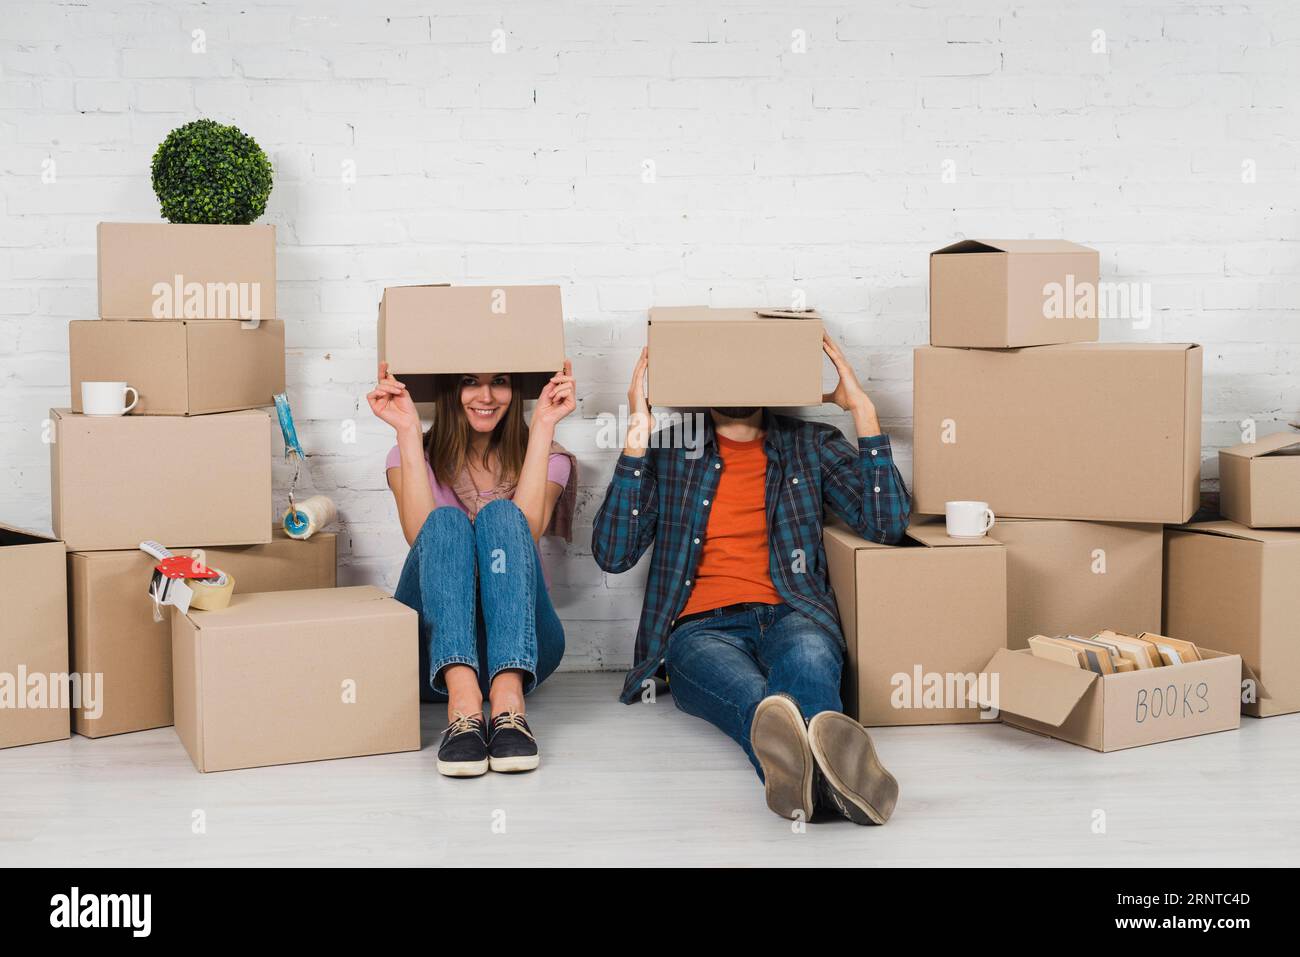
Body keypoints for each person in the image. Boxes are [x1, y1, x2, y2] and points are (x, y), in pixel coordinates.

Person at [592, 335, 910, 824]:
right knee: (758, 703)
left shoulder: (812, 444)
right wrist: (636, 438)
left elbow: (885, 526)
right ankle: (838, 785)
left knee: (806, 668)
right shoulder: (670, 451)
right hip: (700, 629)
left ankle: (810, 789)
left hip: (793, 612)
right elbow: (612, 556)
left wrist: (862, 412)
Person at [368, 361, 577, 778]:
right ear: (450, 391)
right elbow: (420, 536)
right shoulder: (407, 456)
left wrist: (543, 427)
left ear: (514, 390)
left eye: (499, 381)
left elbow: (525, 530)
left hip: (524, 644)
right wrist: (408, 431)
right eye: (470, 383)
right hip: (435, 651)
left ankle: (508, 703)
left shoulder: (551, 458)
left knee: (502, 517)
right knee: (445, 524)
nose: (485, 397)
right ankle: (462, 704)